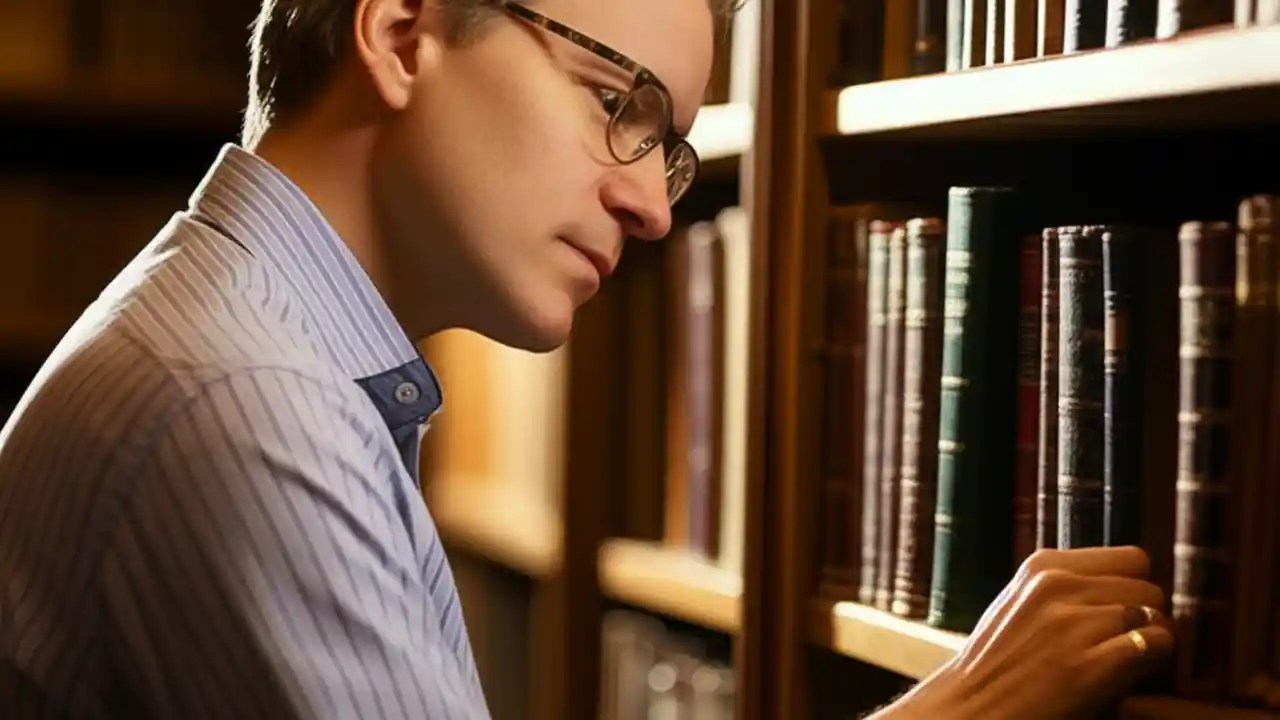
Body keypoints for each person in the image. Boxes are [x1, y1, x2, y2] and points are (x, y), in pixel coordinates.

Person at [0, 0, 1173, 717]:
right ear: (402, 34)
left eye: (669, 150)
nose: (653, 207)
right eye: (617, 102)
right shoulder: (251, 404)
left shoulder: (256, 350)